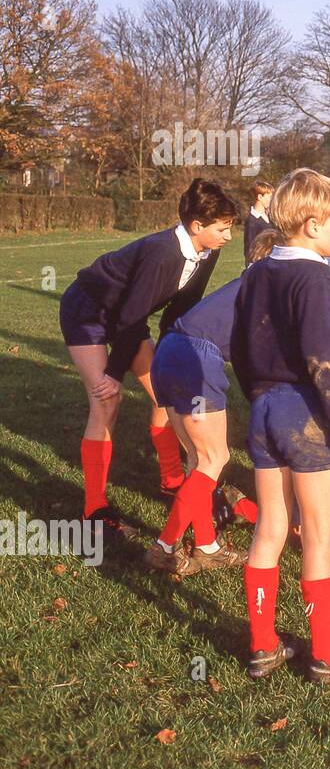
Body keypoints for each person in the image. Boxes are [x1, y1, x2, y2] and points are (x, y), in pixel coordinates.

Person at [231, 168, 330, 683]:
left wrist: (260, 399)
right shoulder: (315, 276)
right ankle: (327, 656)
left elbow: (241, 350)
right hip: (309, 413)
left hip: (264, 409)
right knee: (319, 535)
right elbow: (325, 360)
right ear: (312, 225)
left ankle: (264, 647)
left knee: (270, 528)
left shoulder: (257, 272)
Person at [59, 178, 238, 533]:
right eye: (223, 229)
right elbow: (130, 319)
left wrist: (176, 353)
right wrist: (113, 373)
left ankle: (172, 479)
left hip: (126, 315)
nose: (228, 237)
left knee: (168, 394)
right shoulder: (162, 253)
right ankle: (93, 509)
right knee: (108, 402)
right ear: (197, 226)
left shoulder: (208, 250)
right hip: (88, 310)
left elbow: (180, 310)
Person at [142, 230, 279, 575]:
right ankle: (164, 546)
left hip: (170, 351)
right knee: (215, 457)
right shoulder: (265, 292)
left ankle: (206, 545)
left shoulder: (243, 287)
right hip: (195, 358)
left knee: (198, 460)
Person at [243, 179, 274, 266]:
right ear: (260, 197)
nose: (271, 200)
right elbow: (249, 247)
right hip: (259, 264)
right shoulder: (252, 220)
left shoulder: (269, 217)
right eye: (270, 197)